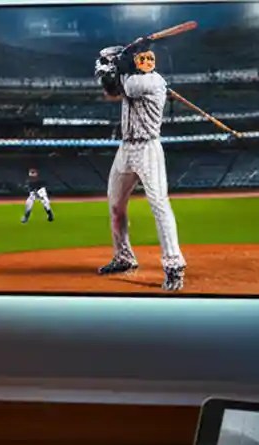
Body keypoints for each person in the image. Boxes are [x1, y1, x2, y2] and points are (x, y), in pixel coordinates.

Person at [93, 40, 186, 292]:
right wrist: (123, 58)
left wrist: (121, 60)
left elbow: (123, 86)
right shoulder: (136, 79)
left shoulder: (148, 82)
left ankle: (174, 265)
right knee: (115, 206)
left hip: (148, 149)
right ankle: (124, 256)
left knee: (159, 205)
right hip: (126, 148)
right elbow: (111, 90)